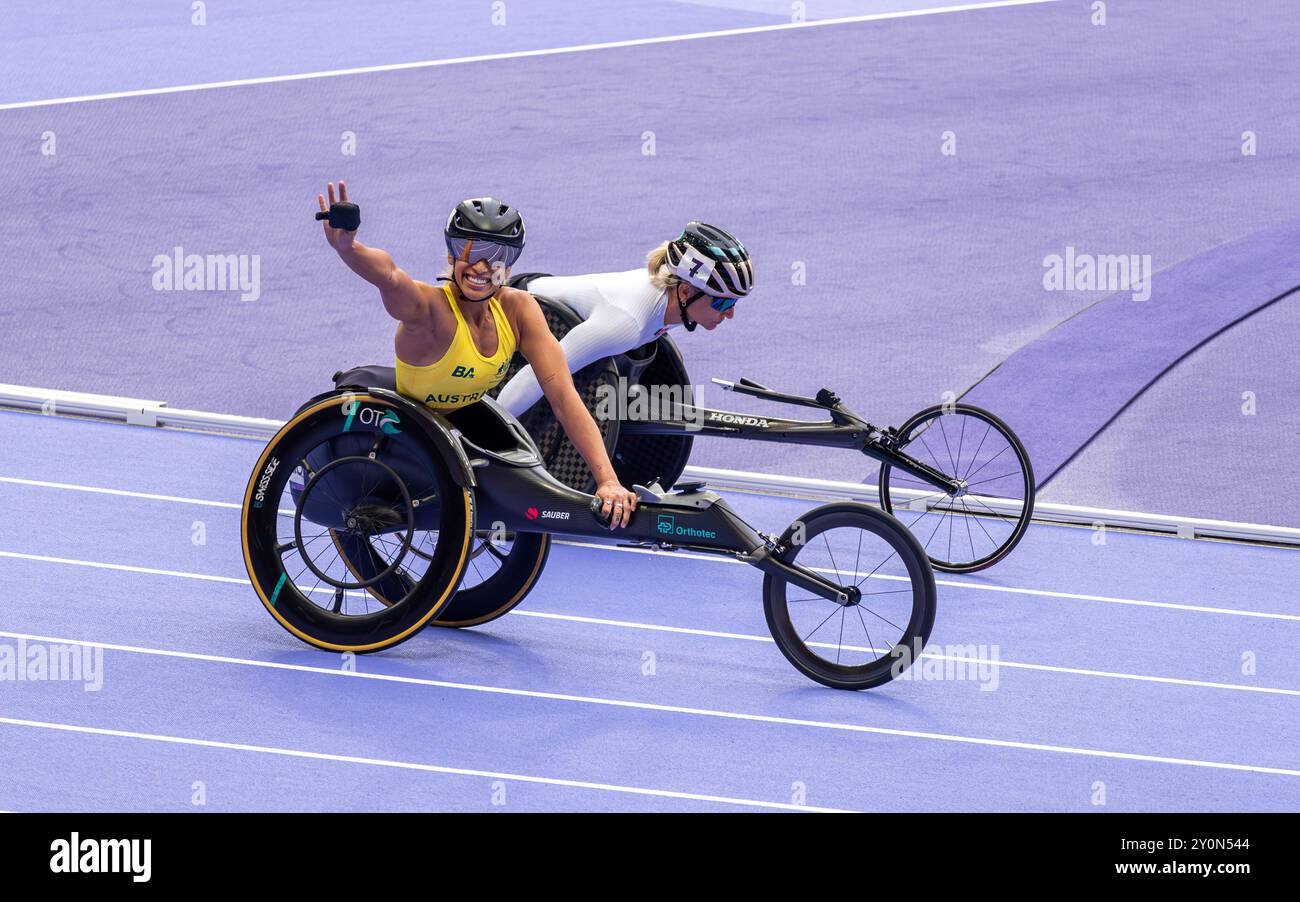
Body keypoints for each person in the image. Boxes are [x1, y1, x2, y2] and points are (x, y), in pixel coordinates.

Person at [316, 181, 639, 527]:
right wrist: (348, 248)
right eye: (470, 250)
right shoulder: (428, 309)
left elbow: (562, 395)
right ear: (452, 254)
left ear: (510, 266)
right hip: (401, 440)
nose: (482, 267)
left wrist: (607, 480)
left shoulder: (518, 311)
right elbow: (390, 277)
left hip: (462, 433)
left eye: (498, 256)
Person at [494, 222, 754, 417]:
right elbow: (537, 376)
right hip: (505, 312)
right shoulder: (626, 323)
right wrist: (482, 437)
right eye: (723, 302)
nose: (729, 313)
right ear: (686, 291)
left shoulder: (674, 297)